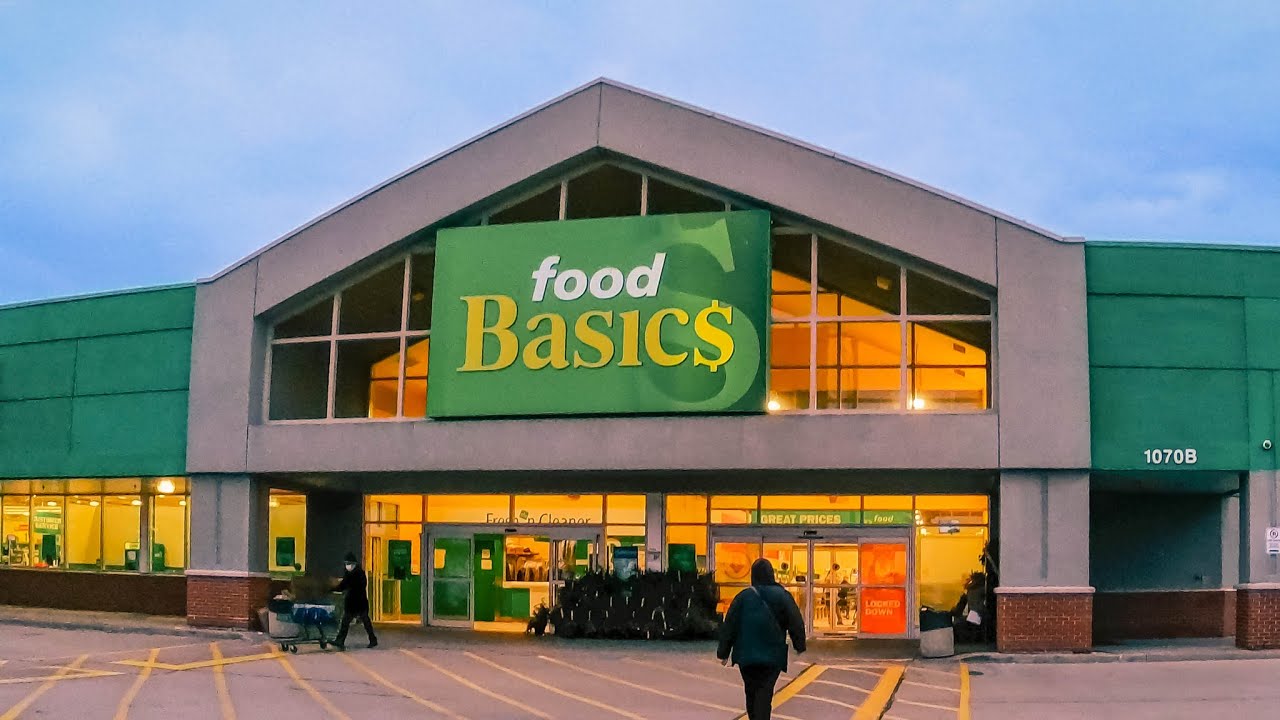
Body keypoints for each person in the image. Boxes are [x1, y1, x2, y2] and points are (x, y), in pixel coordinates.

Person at [717, 559, 806, 720]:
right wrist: (799, 644)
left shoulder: (743, 597)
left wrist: (723, 652)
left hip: (746, 656)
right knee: (764, 693)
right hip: (772, 656)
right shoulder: (783, 596)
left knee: (750, 691)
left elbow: (729, 625)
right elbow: (795, 621)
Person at [333, 552, 378, 650]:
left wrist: (341, 588)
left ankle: (372, 639)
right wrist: (334, 589)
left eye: (348, 563)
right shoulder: (349, 574)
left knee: (364, 621)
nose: (347, 566)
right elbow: (343, 585)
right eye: (346, 564)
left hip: (359, 601)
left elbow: (354, 586)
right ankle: (340, 640)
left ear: (354, 564)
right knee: (347, 621)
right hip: (353, 602)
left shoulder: (359, 574)